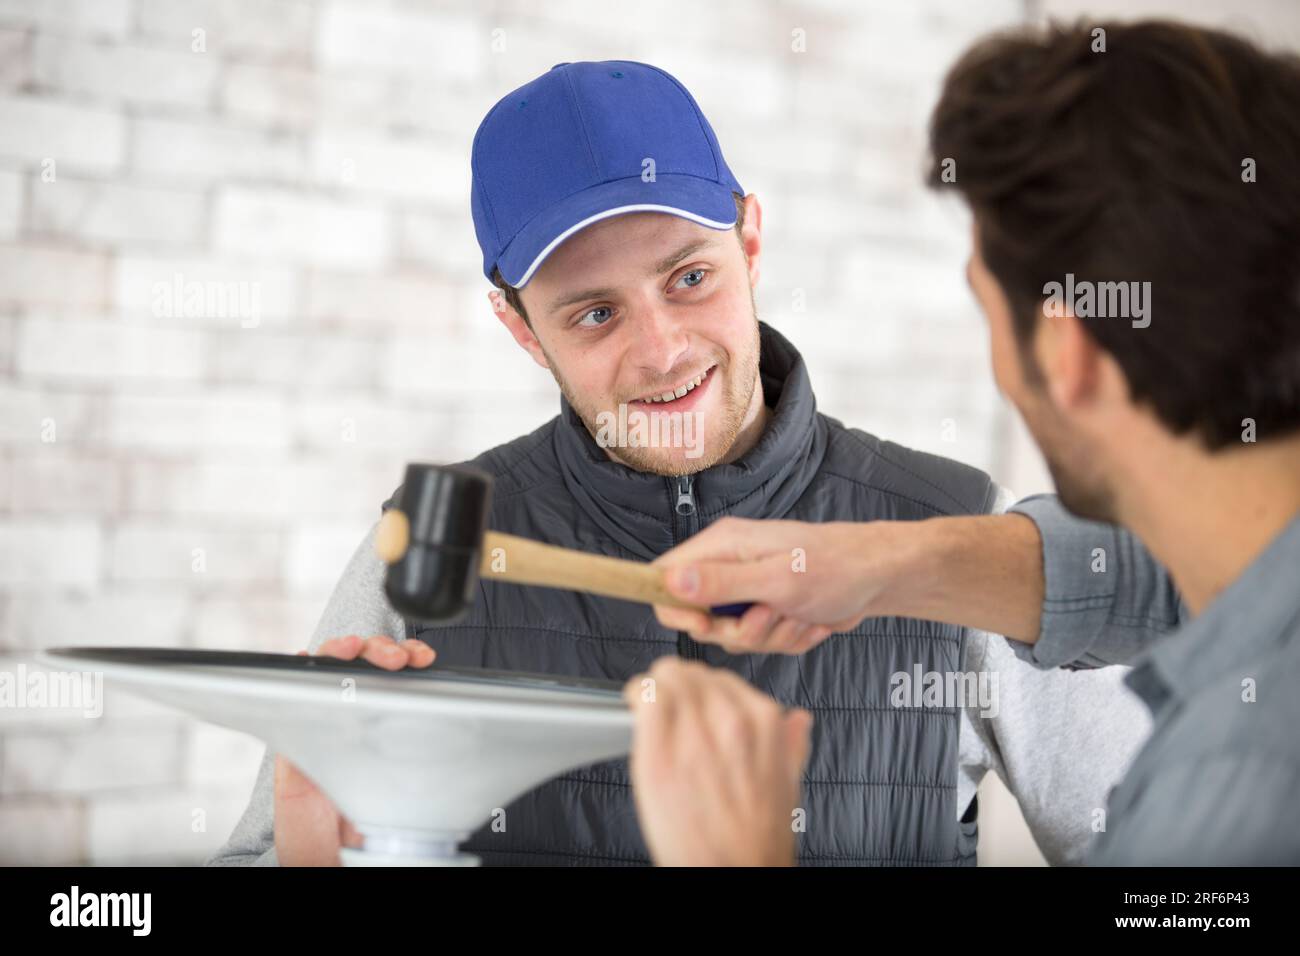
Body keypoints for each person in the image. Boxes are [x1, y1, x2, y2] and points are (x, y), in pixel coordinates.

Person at [208, 60, 1149, 866]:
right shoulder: (414, 555)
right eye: (594, 313)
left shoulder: (960, 533)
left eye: (688, 278)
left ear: (749, 240)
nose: (661, 352)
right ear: (522, 330)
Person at [630, 20, 1300, 866]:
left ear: (1070, 358)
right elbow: (1166, 577)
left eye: (986, 309)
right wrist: (872, 565)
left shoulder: (1230, 793)